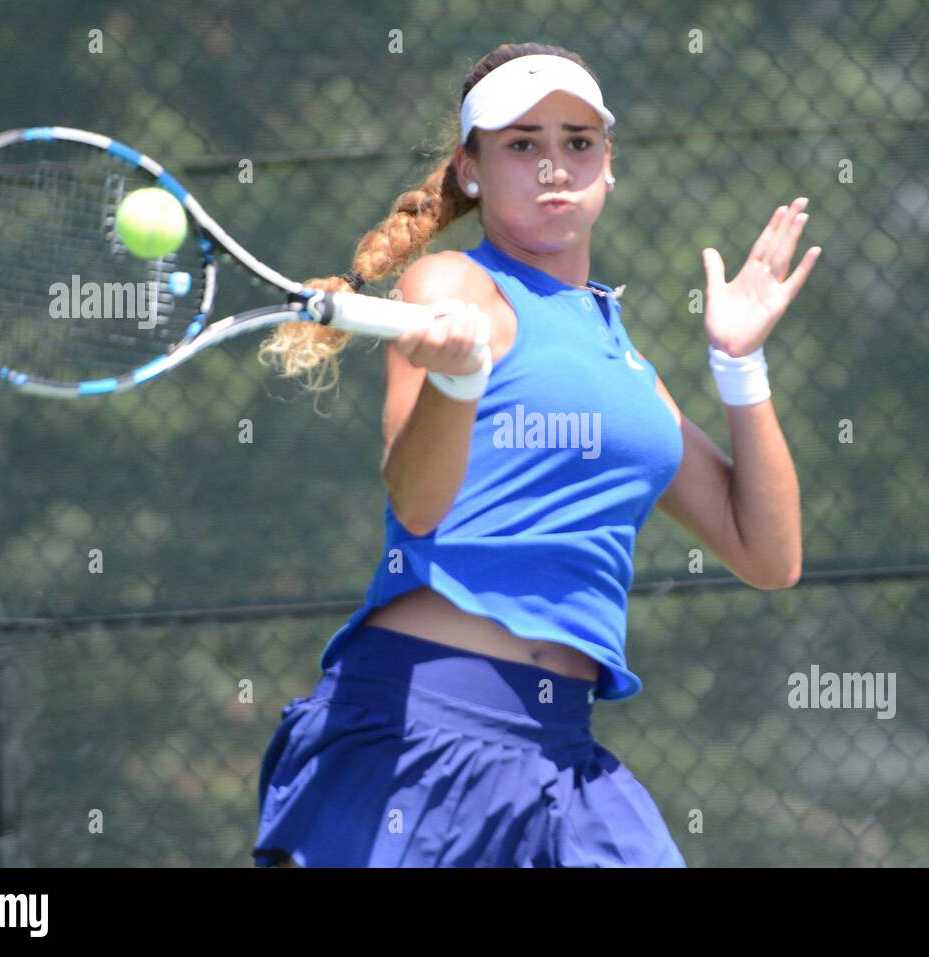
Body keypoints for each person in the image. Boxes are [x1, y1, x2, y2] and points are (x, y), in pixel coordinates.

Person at [251, 40, 818, 867]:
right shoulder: (450, 285)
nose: (555, 164)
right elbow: (416, 501)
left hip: (564, 757)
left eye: (577, 142)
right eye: (523, 144)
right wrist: (457, 383)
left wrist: (739, 363)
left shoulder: (620, 353)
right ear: (471, 170)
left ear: (609, 167)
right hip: (421, 731)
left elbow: (769, 554)